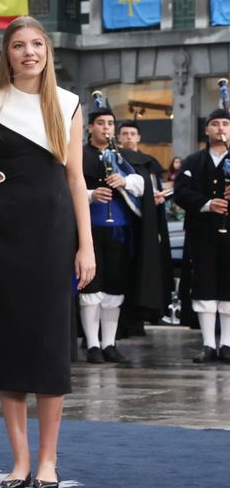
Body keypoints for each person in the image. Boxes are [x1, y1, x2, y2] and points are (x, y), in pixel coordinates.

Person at [0, 16, 95, 488]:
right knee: (9, 344)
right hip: (2, 235)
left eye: (37, 44)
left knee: (49, 347)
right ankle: (20, 459)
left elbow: (76, 179)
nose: (29, 53)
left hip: (54, 234)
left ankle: (48, 460)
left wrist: (86, 244)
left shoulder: (68, 102)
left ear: (47, 51)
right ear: (8, 53)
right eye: (19, 45)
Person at [80, 106, 145, 363]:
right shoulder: (80, 155)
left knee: (114, 289)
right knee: (91, 289)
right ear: (90, 127)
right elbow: (65, 187)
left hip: (118, 231)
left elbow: (140, 184)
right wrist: (90, 195)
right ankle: (92, 344)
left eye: (110, 123)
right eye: (101, 123)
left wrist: (124, 181)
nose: (106, 127)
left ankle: (109, 343)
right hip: (90, 230)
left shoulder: (119, 156)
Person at [173, 109, 230, 363]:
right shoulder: (193, 161)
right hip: (201, 234)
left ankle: (227, 344)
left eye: (225, 124)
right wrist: (207, 204)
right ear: (206, 130)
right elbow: (180, 192)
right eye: (215, 124)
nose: (220, 128)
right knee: (204, 284)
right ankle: (208, 344)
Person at [117, 120, 174, 337]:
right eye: (125, 133)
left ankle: (137, 320)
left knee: (142, 269)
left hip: (146, 223)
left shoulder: (149, 162)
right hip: (124, 222)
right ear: (119, 137)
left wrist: (157, 198)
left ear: (139, 137)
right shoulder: (114, 160)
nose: (129, 137)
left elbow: (156, 187)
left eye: (133, 134)